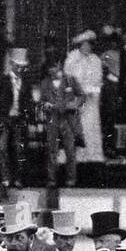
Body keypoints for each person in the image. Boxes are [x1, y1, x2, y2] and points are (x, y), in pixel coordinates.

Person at [0, 47, 33, 190]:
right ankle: (5, 177)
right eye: (17, 66)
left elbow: (28, 103)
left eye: (22, 67)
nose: (19, 69)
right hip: (4, 119)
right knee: (1, 147)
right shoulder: (3, 80)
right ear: (12, 65)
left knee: (19, 148)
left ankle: (18, 178)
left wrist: (29, 118)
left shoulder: (26, 83)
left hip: (19, 120)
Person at [39, 56, 82, 188]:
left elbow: (81, 95)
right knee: (52, 150)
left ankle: (71, 179)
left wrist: (74, 104)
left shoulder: (70, 80)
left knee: (70, 149)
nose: (52, 70)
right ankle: (52, 180)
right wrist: (45, 105)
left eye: (54, 66)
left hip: (68, 119)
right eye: (50, 68)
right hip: (52, 118)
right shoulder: (45, 83)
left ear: (59, 65)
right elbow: (41, 101)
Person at [63, 31, 104, 164]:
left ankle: (91, 156)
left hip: (90, 101)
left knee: (89, 127)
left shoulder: (96, 60)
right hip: (74, 100)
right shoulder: (72, 58)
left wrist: (89, 91)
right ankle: (72, 157)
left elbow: (97, 83)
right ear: (80, 44)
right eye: (84, 44)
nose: (87, 47)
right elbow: (67, 79)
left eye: (90, 44)